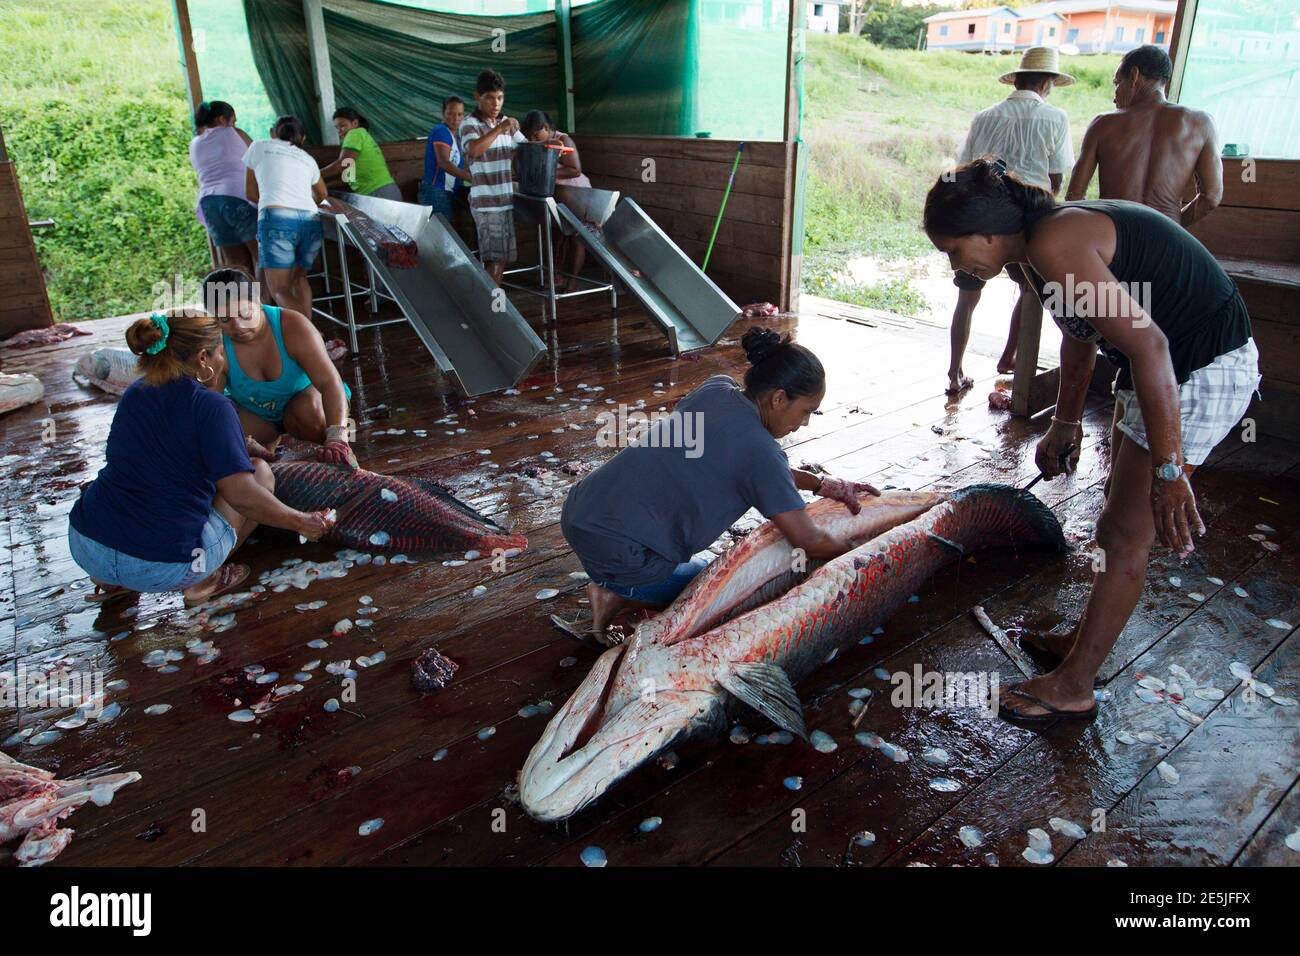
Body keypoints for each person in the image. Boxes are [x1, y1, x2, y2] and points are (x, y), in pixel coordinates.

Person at [923, 159, 1259, 725]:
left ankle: (1074, 687)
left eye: (953, 249)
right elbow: (1080, 334)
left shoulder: (1056, 241)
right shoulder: (1033, 249)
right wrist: (1066, 422)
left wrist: (1171, 471)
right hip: (1164, 368)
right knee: (1113, 523)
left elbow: (1151, 346)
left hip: (1200, 367)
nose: (956, 264)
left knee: (1128, 534)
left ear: (987, 232)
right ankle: (1085, 642)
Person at [561, 326, 881, 642]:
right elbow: (809, 541)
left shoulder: (716, 388)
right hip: (621, 550)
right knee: (717, 584)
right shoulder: (762, 454)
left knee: (693, 560)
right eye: (807, 411)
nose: (805, 422)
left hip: (579, 512)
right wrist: (866, 548)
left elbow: (743, 460)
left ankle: (613, 583)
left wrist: (820, 484)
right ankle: (616, 589)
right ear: (780, 399)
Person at [67, 311, 335, 607]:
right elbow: (242, 496)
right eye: (221, 351)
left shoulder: (136, 393)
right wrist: (300, 521)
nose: (225, 359)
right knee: (260, 474)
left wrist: (235, 445)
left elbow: (151, 450)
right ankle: (204, 580)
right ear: (203, 359)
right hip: (163, 566)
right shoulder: (212, 405)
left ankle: (112, 579)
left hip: (87, 545)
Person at [947, 47, 1074, 394]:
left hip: (979, 220)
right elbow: (1057, 179)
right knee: (1030, 291)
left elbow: (963, 169)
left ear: (1016, 79)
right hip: (1024, 223)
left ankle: (954, 372)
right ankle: (1010, 356)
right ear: (1047, 83)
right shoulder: (1055, 118)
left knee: (967, 298)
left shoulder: (984, 116)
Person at [201, 268, 355, 466]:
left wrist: (337, 438)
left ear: (258, 302)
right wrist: (238, 441)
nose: (238, 326)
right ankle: (266, 452)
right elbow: (212, 405)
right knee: (219, 435)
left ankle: (339, 453)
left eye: (245, 314)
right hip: (258, 415)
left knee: (309, 415)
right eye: (224, 320)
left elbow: (329, 382)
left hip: (309, 405)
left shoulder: (292, 325)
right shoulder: (216, 343)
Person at [1066, 45, 1222, 226]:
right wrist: (1173, 229)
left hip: (1114, 234)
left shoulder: (1103, 125)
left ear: (1134, 75)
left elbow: (1074, 196)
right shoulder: (1201, 123)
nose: (1115, 97)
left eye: (1117, 83)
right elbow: (1212, 197)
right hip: (1166, 236)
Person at [243, 115, 327, 318]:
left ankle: (309, 337)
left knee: (280, 289)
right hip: (311, 220)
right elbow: (323, 194)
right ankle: (311, 338)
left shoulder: (259, 146)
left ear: (273, 133)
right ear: (303, 138)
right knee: (299, 279)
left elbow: (251, 193)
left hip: (277, 218)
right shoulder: (308, 159)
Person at [459, 69, 526, 285]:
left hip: (506, 201)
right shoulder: (469, 124)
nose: (496, 103)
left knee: (503, 259)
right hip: (486, 205)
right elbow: (474, 150)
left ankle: (490, 307)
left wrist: (552, 144)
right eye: (489, 98)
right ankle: (486, 312)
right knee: (494, 260)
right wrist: (500, 128)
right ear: (477, 97)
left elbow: (526, 147)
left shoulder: (508, 122)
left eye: (500, 97)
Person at [521, 109, 591, 291]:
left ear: (546, 127)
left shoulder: (563, 140)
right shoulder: (537, 143)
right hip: (558, 195)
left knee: (577, 238)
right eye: (530, 137)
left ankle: (573, 281)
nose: (534, 140)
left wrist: (546, 173)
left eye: (536, 135)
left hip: (577, 194)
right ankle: (555, 276)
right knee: (557, 236)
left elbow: (575, 169)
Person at [188, 100, 259, 279]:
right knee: (262, 257)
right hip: (237, 198)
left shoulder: (194, 143)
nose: (234, 125)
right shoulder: (232, 132)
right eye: (233, 121)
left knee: (236, 266)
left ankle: (245, 305)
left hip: (209, 204)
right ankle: (263, 303)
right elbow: (261, 159)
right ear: (222, 119)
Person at [319, 107, 401, 201]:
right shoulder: (362, 135)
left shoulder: (354, 134)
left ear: (355, 123)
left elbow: (342, 164)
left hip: (378, 192)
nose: (339, 130)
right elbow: (349, 177)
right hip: (385, 190)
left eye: (343, 125)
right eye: (337, 127)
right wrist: (322, 185)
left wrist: (314, 175)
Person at [419, 95, 472, 220]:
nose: (456, 118)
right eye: (451, 114)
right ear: (443, 113)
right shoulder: (441, 131)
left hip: (447, 191)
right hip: (436, 191)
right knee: (443, 234)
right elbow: (443, 162)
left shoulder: (455, 136)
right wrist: (472, 178)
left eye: (460, 114)